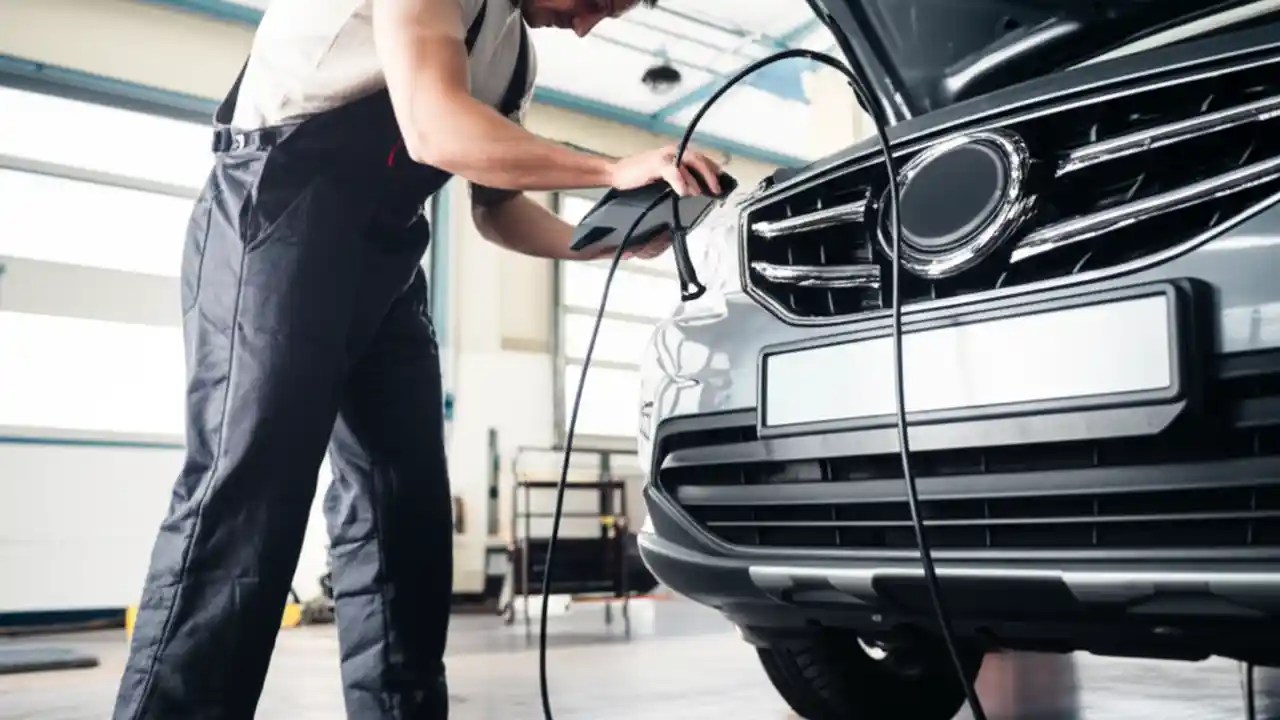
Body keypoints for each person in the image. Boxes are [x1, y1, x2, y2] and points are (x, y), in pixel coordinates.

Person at [112, 0, 723, 717]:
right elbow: (434, 128)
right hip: (277, 216)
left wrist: (605, 238)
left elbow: (497, 210)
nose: (588, 25)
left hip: (385, 262)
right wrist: (611, 168)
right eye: (596, 2)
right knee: (247, 499)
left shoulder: (514, 55)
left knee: (403, 518)